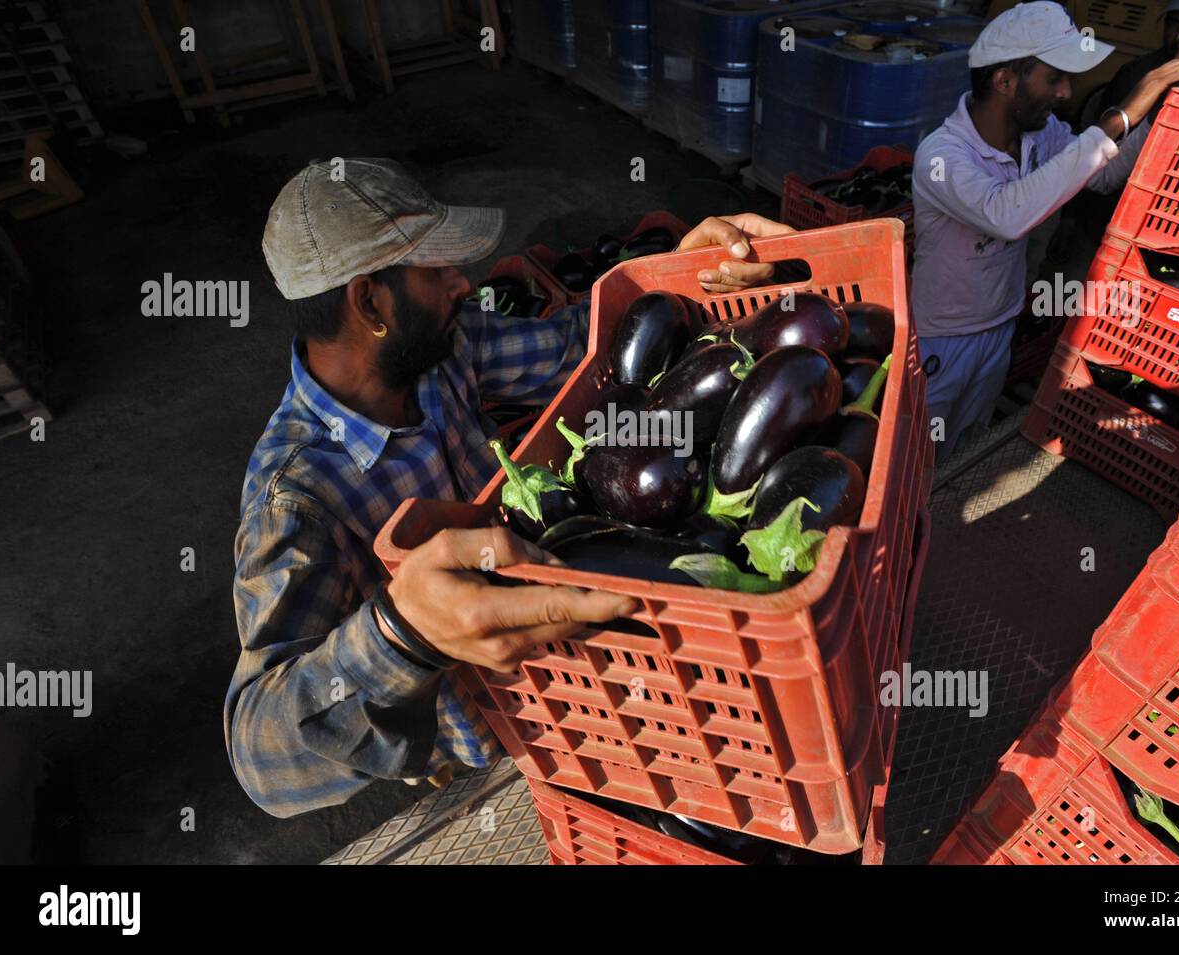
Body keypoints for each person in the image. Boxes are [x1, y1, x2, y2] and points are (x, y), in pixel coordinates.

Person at [225, 156, 791, 817]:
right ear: (370, 300)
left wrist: (680, 276)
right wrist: (400, 635)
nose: (462, 282)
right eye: (436, 269)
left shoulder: (443, 350)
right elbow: (260, 761)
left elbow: (580, 348)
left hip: (595, 682)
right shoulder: (295, 496)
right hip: (499, 750)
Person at [910, 1, 1179, 459]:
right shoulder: (942, 156)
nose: (1064, 92)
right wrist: (1124, 111)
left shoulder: (1042, 134)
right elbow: (1007, 215)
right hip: (941, 340)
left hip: (999, 328)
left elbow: (1100, 175)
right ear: (1005, 81)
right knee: (920, 455)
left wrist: (1160, 105)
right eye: (1054, 78)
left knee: (964, 446)